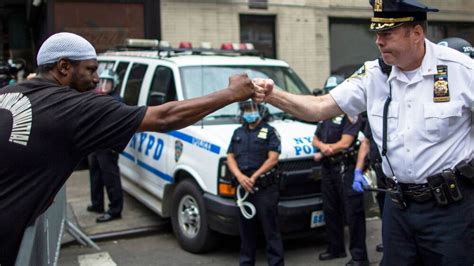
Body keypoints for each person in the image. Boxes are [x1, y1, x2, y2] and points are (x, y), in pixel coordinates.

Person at [0, 32, 261, 265]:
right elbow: (165, 117)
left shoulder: (9, 93)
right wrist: (231, 94)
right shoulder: (72, 107)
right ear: (64, 67)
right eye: (90, 70)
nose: (97, 79)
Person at [254, 0, 474, 264]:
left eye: (387, 33)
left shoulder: (460, 70)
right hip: (398, 208)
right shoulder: (372, 75)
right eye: (376, 32)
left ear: (416, 33)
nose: (378, 41)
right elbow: (320, 107)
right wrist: (272, 95)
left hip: (450, 209)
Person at [312, 75, 368, 266]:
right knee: (330, 209)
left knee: (353, 213)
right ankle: (335, 249)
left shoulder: (351, 113)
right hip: (328, 167)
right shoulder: (326, 114)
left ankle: (359, 257)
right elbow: (315, 139)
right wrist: (324, 148)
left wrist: (328, 149)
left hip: (346, 168)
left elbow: (346, 143)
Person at [227, 101, 284, 266]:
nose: (248, 112)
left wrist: (254, 177)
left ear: (261, 110)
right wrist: (239, 176)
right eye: (245, 109)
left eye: (251, 109)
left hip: (264, 187)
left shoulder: (270, 132)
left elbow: (273, 158)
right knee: (246, 231)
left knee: (271, 231)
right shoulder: (238, 132)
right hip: (243, 187)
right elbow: (230, 156)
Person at [86, 69, 124, 222]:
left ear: (114, 84)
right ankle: (97, 204)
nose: (104, 85)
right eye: (103, 81)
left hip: (108, 145)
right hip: (96, 143)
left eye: (108, 82)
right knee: (95, 174)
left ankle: (115, 210)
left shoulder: (116, 100)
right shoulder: (101, 97)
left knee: (110, 177)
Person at [353, 117, 386, 253]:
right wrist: (358, 171)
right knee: (383, 206)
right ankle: (387, 239)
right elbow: (365, 142)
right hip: (380, 173)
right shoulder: (375, 115)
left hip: (397, 174)